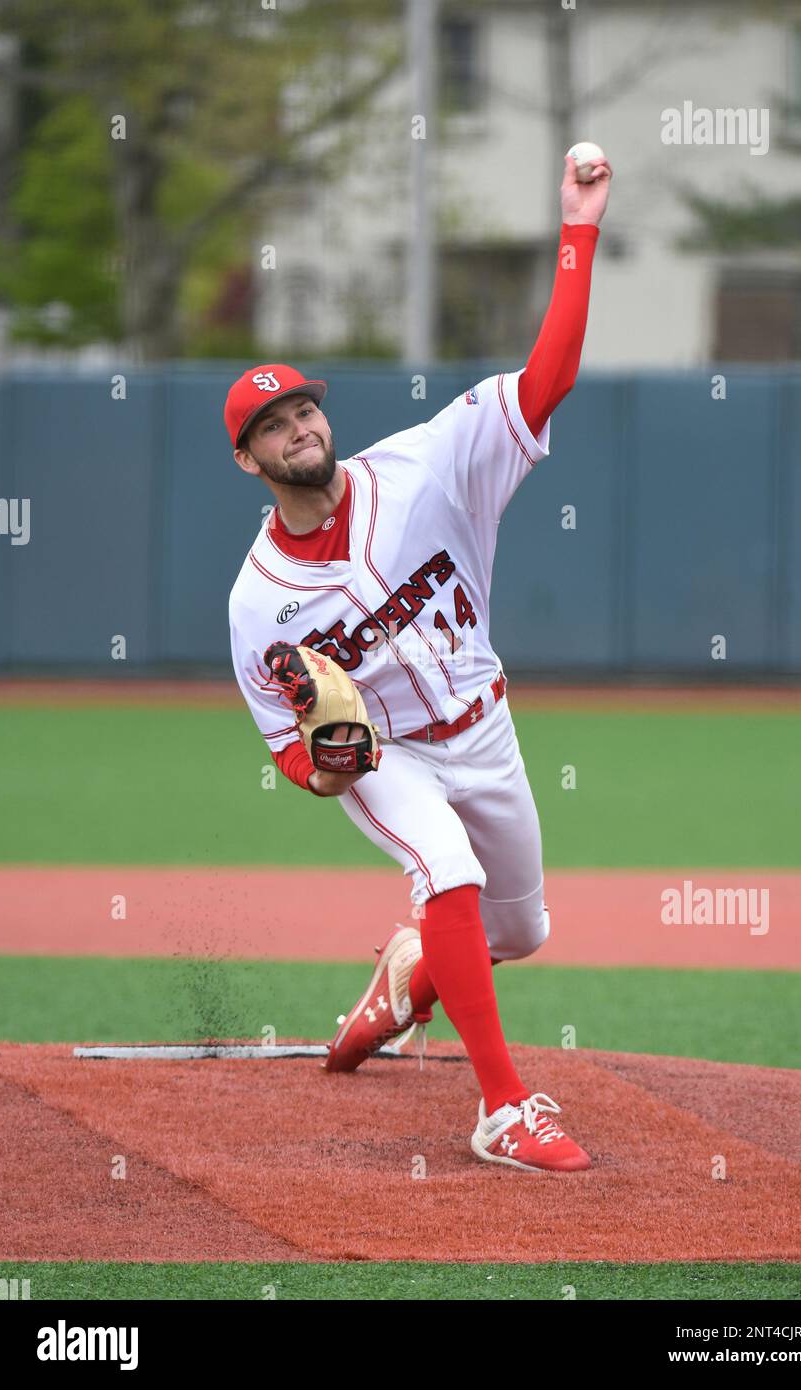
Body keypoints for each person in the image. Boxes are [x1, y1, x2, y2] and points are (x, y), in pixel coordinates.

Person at [226, 152, 611, 1173]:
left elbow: (548, 380)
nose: (297, 426)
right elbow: (290, 753)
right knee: (444, 866)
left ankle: (401, 980)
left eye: (301, 408)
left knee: (517, 927)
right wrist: (334, 761)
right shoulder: (258, 599)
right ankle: (502, 1108)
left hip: (481, 724)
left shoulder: (428, 465)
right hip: (390, 751)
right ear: (248, 461)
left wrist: (578, 230)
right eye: (272, 425)